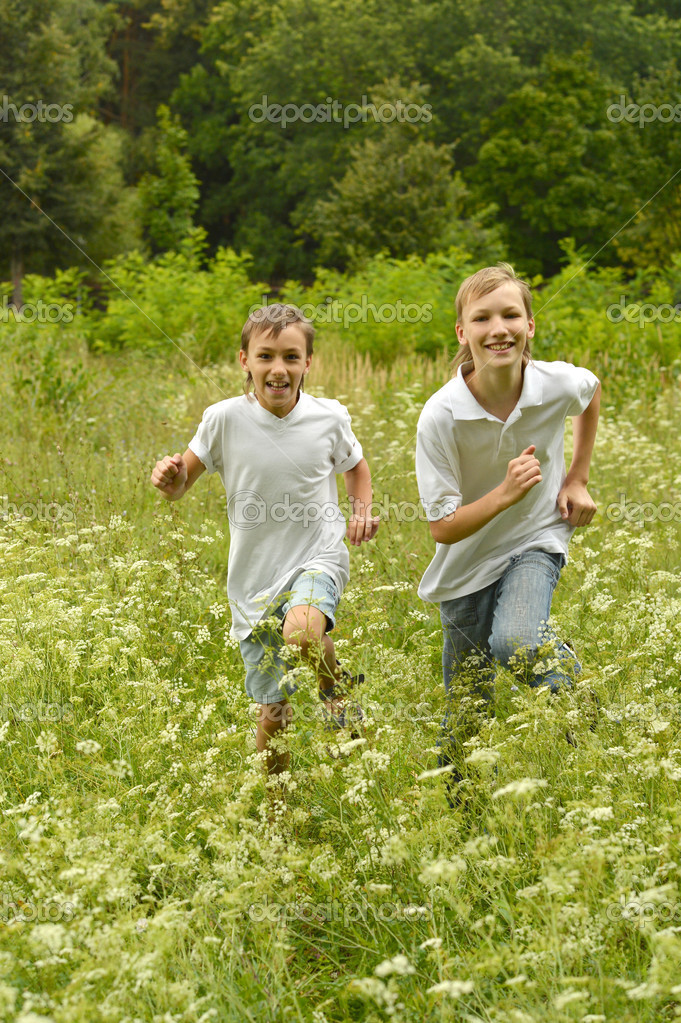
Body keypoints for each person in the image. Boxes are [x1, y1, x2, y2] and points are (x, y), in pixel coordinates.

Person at [150, 304, 379, 801]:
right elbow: (180, 484)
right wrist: (169, 479)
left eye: (291, 356)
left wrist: (360, 511)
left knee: (301, 633)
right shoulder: (223, 419)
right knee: (274, 712)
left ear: (308, 363)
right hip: (253, 582)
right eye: (266, 356)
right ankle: (277, 812)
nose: (279, 368)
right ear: (244, 361)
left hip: (318, 555)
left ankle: (333, 692)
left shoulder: (329, 417)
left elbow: (356, 468)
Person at [415, 263, 601, 793]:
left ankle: (585, 741)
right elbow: (442, 528)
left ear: (530, 326)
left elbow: (591, 392)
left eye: (510, 314)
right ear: (462, 332)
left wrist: (578, 478)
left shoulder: (554, 382)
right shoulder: (441, 416)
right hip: (465, 562)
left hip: (536, 538)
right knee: (466, 714)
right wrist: (503, 493)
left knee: (517, 641)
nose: (498, 328)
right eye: (482, 317)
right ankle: (464, 826)